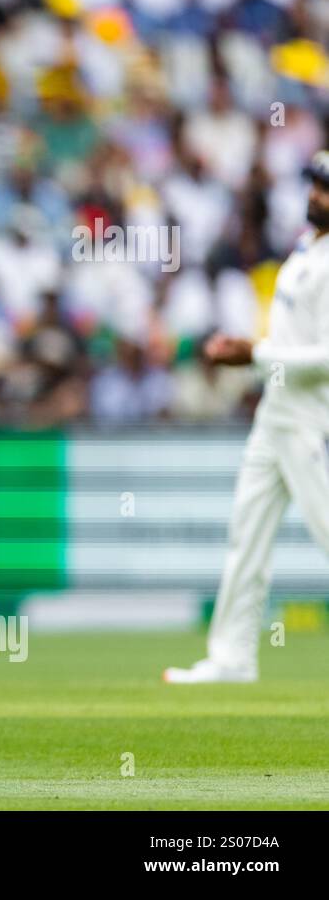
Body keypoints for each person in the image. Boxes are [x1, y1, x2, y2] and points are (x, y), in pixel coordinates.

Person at [165, 151, 329, 683]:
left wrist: (253, 355)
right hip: (275, 414)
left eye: (325, 190)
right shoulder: (308, 248)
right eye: (313, 186)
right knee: (247, 535)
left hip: (312, 421)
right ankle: (232, 658)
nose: (315, 197)